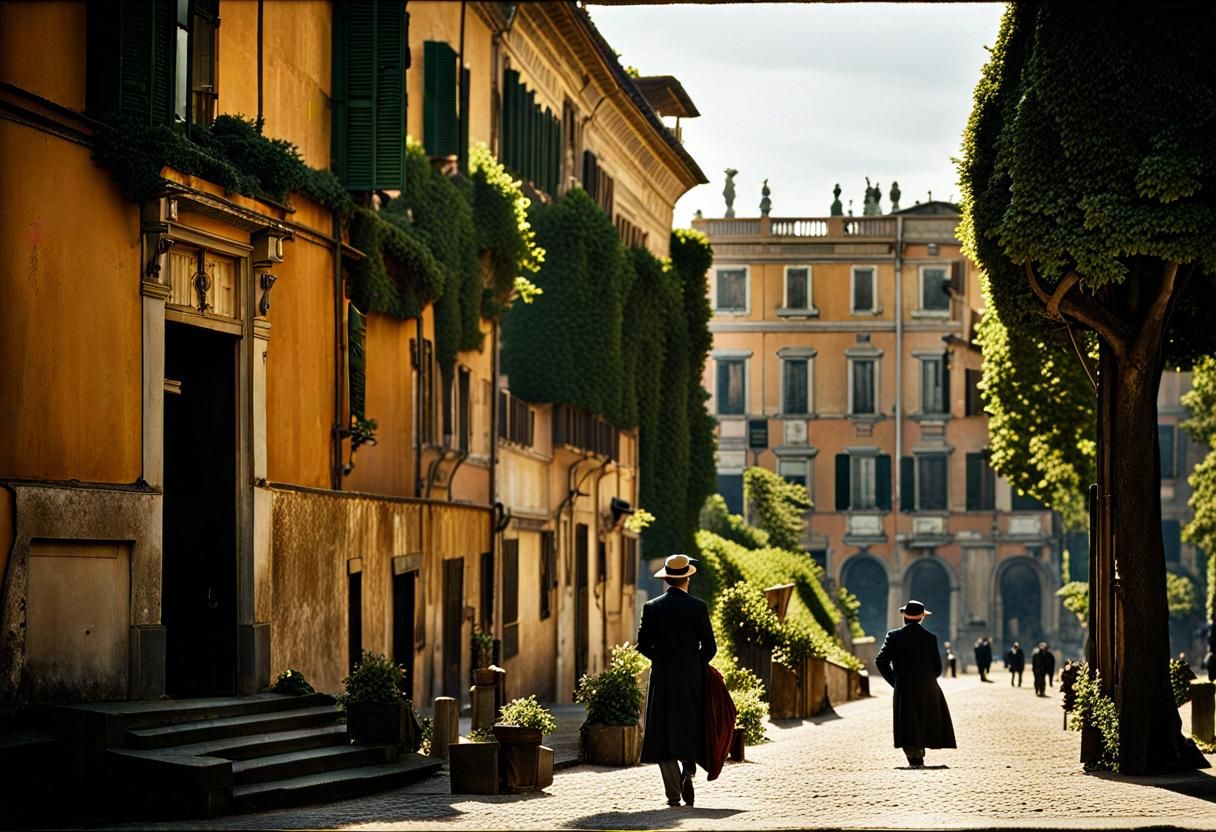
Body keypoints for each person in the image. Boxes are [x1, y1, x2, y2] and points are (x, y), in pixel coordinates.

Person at [637, 554, 717, 808]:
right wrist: (694, 664)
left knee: (663, 732)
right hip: (691, 678)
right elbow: (710, 647)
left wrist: (661, 659)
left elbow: (642, 645)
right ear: (687, 579)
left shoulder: (651, 607)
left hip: (662, 678)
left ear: (666, 579)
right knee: (690, 725)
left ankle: (673, 794)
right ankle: (689, 770)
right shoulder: (698, 607)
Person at [875, 599, 957, 768]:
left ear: (904, 617)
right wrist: (926, 679)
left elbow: (880, 661)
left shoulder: (893, 636)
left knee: (907, 721)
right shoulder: (931, 638)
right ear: (922, 618)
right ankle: (919, 755)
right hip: (927, 687)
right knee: (924, 719)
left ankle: (914, 758)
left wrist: (895, 681)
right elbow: (937, 668)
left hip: (903, 686)